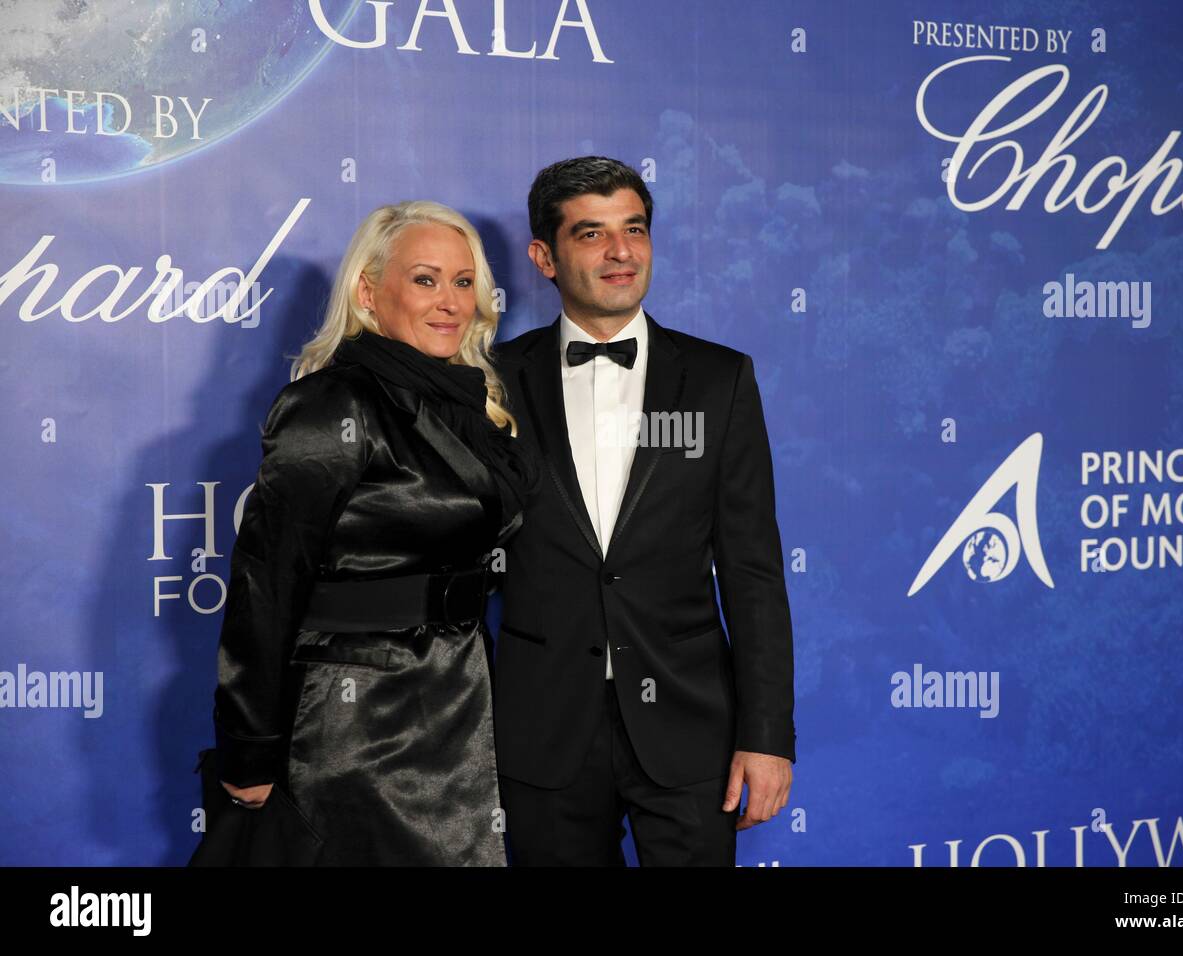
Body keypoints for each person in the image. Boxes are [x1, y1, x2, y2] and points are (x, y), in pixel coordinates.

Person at [202, 200, 538, 866]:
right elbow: (267, 581)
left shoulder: (468, 403)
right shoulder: (333, 404)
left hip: (457, 697)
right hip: (358, 722)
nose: (450, 301)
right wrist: (250, 746)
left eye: (463, 281)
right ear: (367, 292)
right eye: (424, 279)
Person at [491, 156, 795, 866]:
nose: (621, 251)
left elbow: (752, 572)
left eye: (633, 229)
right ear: (544, 256)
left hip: (690, 728)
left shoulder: (720, 380)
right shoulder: (493, 381)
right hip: (541, 729)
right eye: (591, 234)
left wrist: (768, 734)